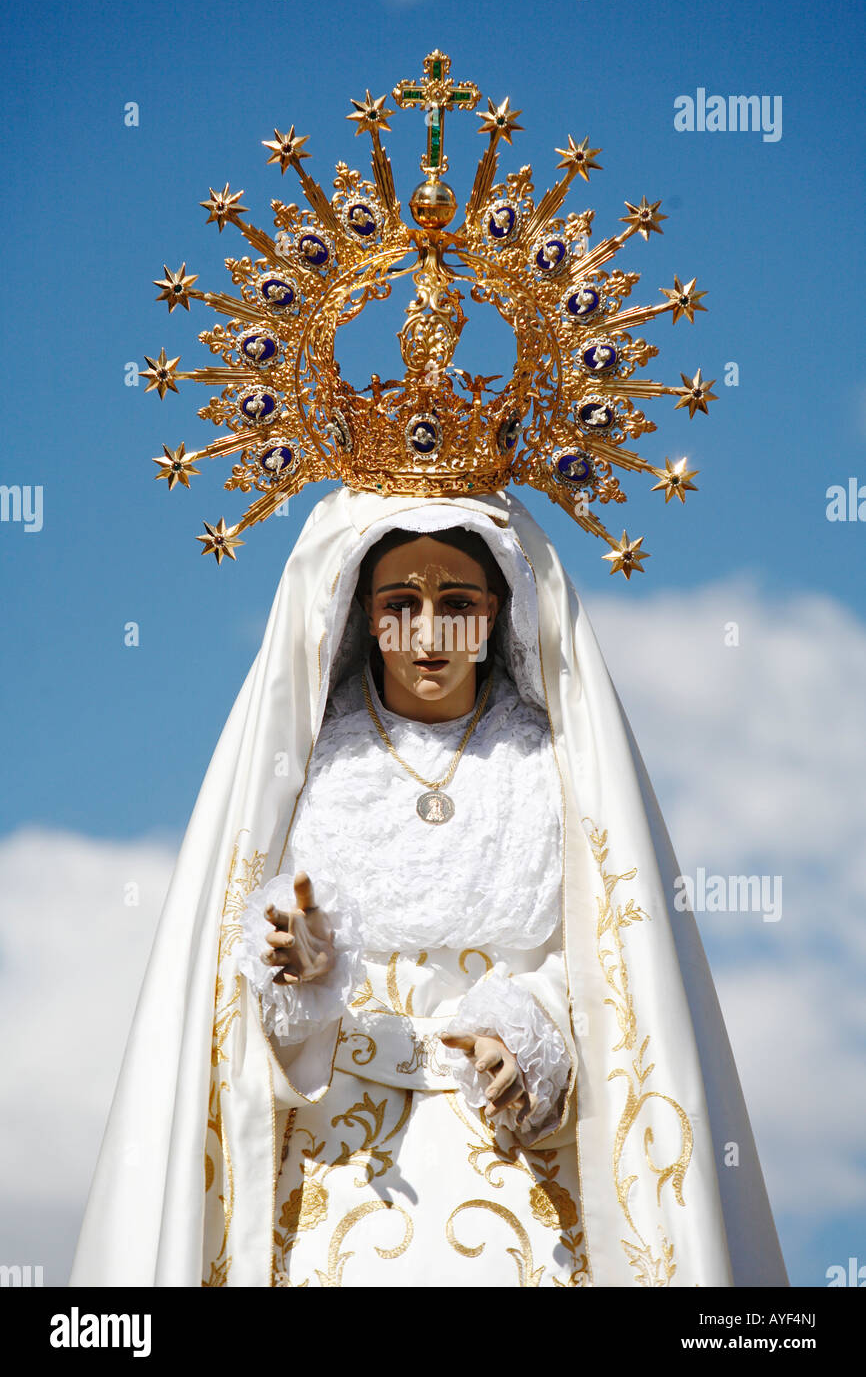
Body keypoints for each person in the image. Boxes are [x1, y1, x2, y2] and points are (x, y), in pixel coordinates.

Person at [70, 486, 789, 1287]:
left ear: (499, 611)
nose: (430, 632)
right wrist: (297, 965)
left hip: (514, 1167)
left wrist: (523, 1027)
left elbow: (611, 961)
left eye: (458, 602)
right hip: (341, 1176)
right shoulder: (306, 766)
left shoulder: (556, 768)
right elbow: (257, 948)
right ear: (362, 616)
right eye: (401, 603)